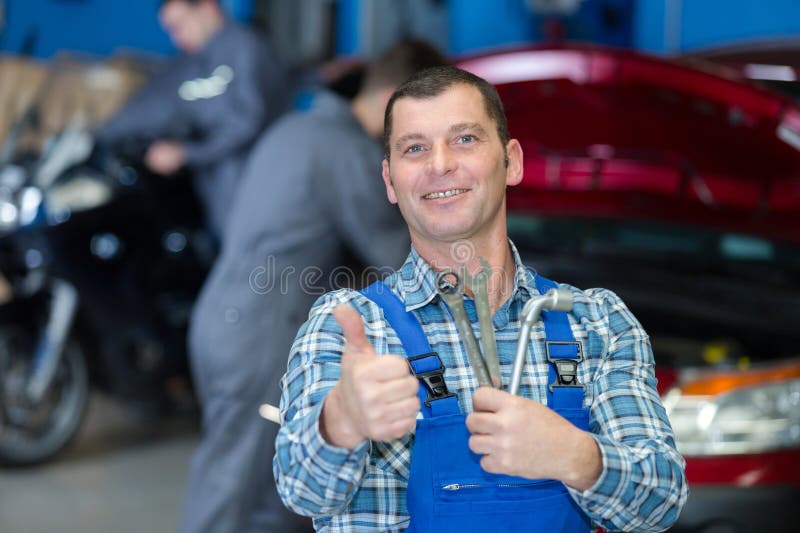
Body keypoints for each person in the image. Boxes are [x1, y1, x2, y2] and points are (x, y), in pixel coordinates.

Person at [273, 66, 689, 532]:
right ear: (389, 181)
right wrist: (342, 420)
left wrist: (576, 456)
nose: (439, 164)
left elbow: (660, 503)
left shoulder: (595, 322)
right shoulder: (348, 326)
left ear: (511, 161)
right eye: (415, 148)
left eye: (465, 139)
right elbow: (300, 491)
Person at [181, 40, 448, 533]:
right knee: (228, 493)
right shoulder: (342, 149)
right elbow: (395, 255)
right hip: (259, 333)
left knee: (273, 493)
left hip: (226, 316)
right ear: (395, 98)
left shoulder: (297, 128)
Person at [97, 0, 289, 240]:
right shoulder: (188, 64)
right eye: (171, 30)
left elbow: (248, 122)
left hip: (266, 197)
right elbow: (153, 106)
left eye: (181, 24)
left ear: (207, 7)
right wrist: (101, 133)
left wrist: (186, 153)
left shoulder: (247, 48)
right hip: (221, 207)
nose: (177, 37)